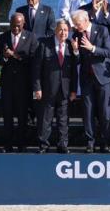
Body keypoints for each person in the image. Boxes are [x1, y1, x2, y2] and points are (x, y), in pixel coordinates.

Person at [70, 10, 110, 153]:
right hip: (87, 78)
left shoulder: (102, 30)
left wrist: (93, 48)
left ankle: (105, 142)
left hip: (103, 77)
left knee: (104, 112)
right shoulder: (77, 35)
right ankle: (90, 142)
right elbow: (77, 61)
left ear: (85, 21)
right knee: (88, 111)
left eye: (78, 24)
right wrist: (76, 51)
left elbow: (109, 52)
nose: (76, 27)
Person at [33, 19, 77, 154]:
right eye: (60, 30)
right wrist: (37, 88)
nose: (63, 32)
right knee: (45, 119)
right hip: (47, 89)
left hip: (65, 89)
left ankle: (62, 144)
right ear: (55, 31)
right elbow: (36, 68)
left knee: (63, 119)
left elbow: (75, 70)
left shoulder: (71, 45)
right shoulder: (44, 44)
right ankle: (43, 145)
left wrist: (74, 90)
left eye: (65, 30)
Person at [0, 12, 37, 152]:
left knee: (22, 116)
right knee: (7, 115)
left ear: (23, 24)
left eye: (18, 26)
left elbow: (32, 59)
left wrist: (15, 55)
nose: (15, 28)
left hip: (23, 84)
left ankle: (21, 144)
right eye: (13, 26)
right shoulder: (3, 37)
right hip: (7, 83)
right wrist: (5, 57)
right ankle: (8, 145)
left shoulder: (31, 37)